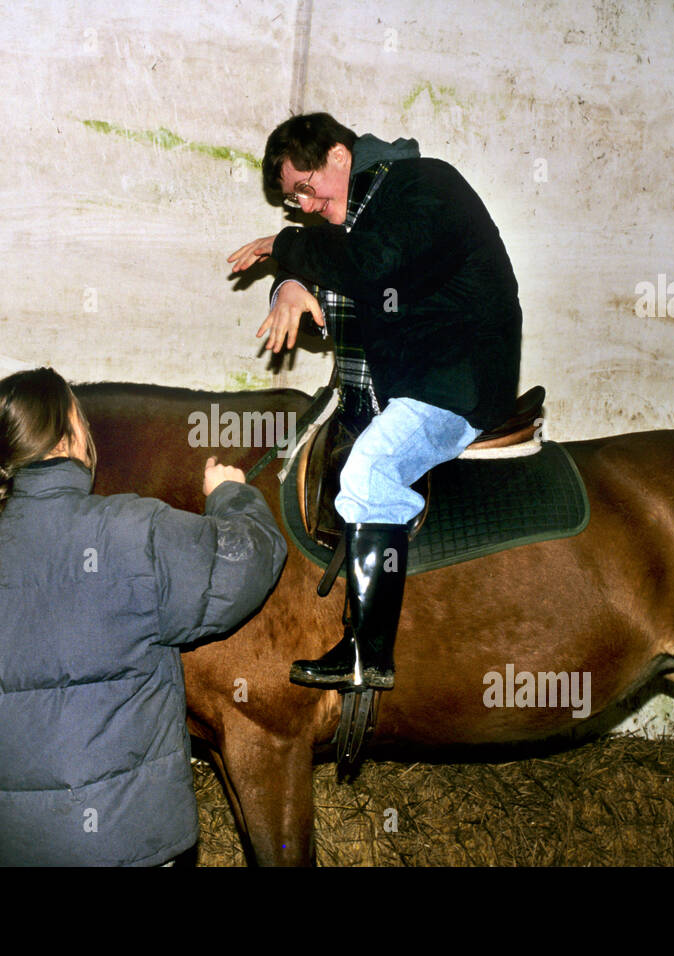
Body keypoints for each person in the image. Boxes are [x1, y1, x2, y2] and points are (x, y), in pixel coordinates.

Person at [0, 368, 287, 866]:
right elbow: (245, 561)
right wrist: (231, 495)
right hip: (137, 847)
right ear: (73, 430)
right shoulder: (133, 531)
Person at [227, 112, 522, 692]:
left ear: (341, 155)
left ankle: (368, 654)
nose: (305, 205)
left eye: (305, 188)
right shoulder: (363, 217)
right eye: (294, 202)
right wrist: (288, 281)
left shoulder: (423, 186)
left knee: (368, 470)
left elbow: (370, 265)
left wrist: (289, 246)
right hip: (390, 388)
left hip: (454, 384)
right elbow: (335, 261)